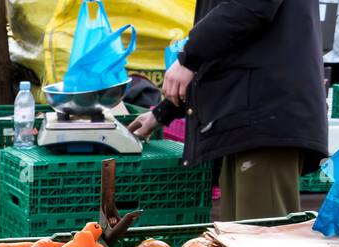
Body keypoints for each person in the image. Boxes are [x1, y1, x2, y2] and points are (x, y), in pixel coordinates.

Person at [129, 0, 327, 220]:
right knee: (239, 244)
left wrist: (188, 58)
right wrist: (163, 112)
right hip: (240, 118)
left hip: (264, 120)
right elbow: (227, 44)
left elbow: (249, 7)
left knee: (265, 246)